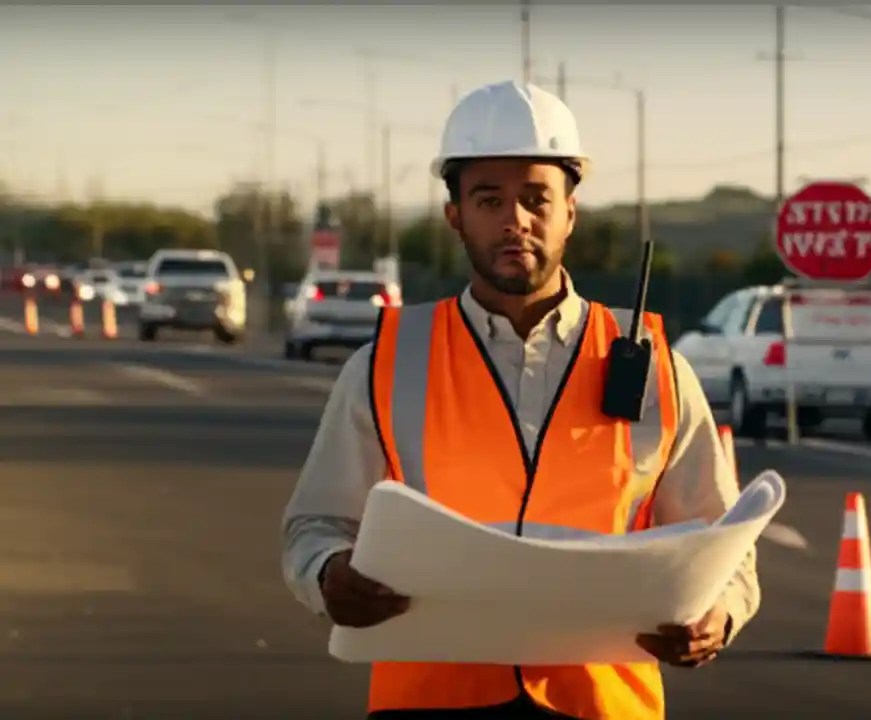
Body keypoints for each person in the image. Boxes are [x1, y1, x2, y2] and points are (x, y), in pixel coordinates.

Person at [281, 80, 760, 720]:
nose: (515, 220)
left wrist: (716, 616)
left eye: (537, 198)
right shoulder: (386, 365)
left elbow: (725, 540)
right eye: (489, 199)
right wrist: (328, 577)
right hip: (431, 700)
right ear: (455, 214)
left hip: (603, 702)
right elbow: (315, 526)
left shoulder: (657, 368)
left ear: (570, 212)